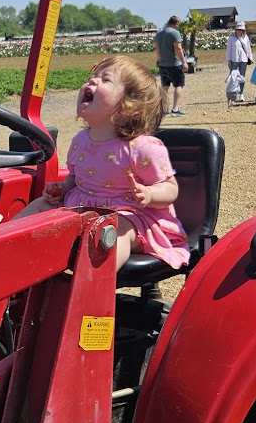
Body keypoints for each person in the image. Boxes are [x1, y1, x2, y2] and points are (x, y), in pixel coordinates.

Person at [15, 56, 190, 272]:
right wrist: (63, 188)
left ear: (129, 106)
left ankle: (92, 285)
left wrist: (150, 194)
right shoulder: (80, 141)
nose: (92, 82)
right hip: (82, 209)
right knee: (41, 205)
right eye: (92, 77)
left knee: (115, 231)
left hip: (130, 215)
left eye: (105, 79)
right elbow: (76, 178)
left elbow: (170, 189)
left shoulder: (142, 147)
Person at [154, 15, 188, 117]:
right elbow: (178, 48)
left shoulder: (159, 33)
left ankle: (164, 110)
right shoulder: (175, 33)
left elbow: (157, 49)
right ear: (176, 23)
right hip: (174, 64)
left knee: (165, 86)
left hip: (163, 64)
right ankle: (175, 109)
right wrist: (184, 62)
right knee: (178, 85)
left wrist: (160, 61)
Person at [225, 20, 254, 102]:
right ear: (235, 30)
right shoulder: (231, 38)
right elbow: (228, 50)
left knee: (242, 77)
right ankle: (232, 94)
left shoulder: (246, 38)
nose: (239, 31)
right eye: (238, 29)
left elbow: (248, 48)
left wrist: (250, 58)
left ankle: (241, 94)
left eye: (241, 30)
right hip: (234, 59)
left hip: (243, 60)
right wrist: (228, 60)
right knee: (233, 78)